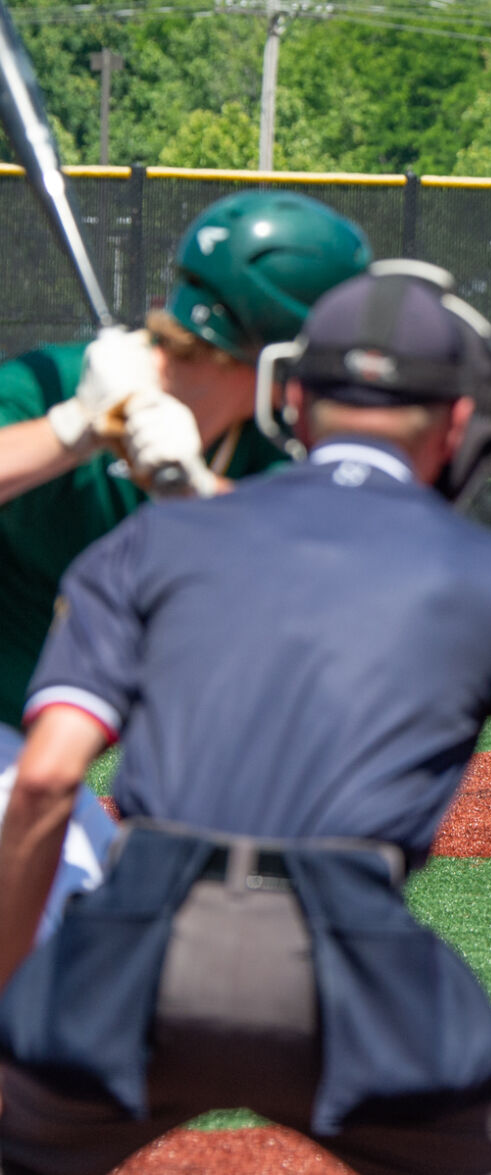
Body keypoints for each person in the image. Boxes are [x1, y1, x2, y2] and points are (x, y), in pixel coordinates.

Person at [0, 265, 491, 1175]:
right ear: (467, 423)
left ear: (292, 402)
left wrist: (14, 997)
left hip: (124, 960)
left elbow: (43, 779)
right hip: (351, 969)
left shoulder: (153, 538)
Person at [0, 190, 372, 946]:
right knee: (59, 949)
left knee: (138, 953)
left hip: (52, 748)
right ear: (275, 347)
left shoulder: (269, 448)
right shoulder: (49, 385)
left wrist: (194, 488)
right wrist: (75, 429)